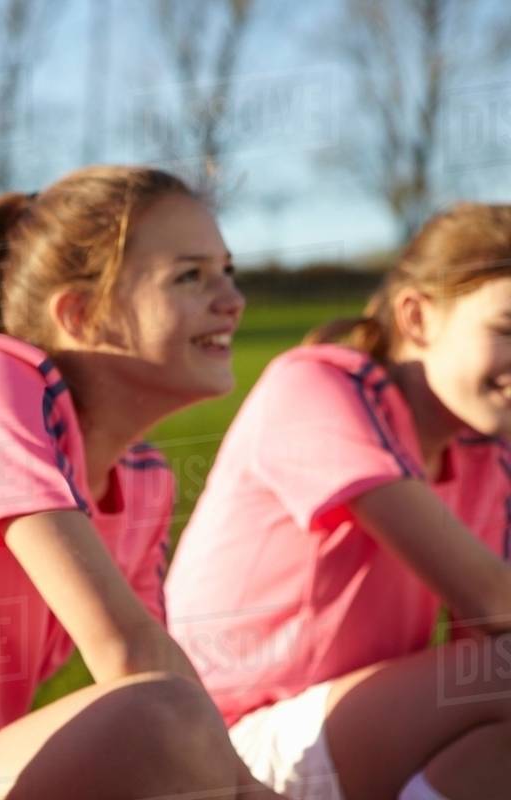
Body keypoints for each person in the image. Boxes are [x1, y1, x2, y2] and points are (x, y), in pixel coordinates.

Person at [0, 165, 276, 799]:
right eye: (190, 276)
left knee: (166, 719)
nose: (233, 300)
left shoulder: (145, 479)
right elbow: (127, 656)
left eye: (229, 271)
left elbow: (153, 665)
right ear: (79, 314)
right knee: (161, 722)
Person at [165, 203, 511, 800]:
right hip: (217, 747)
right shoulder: (317, 386)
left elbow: (484, 645)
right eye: (506, 329)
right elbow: (490, 594)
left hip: (336, 730)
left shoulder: (486, 454)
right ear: (417, 317)